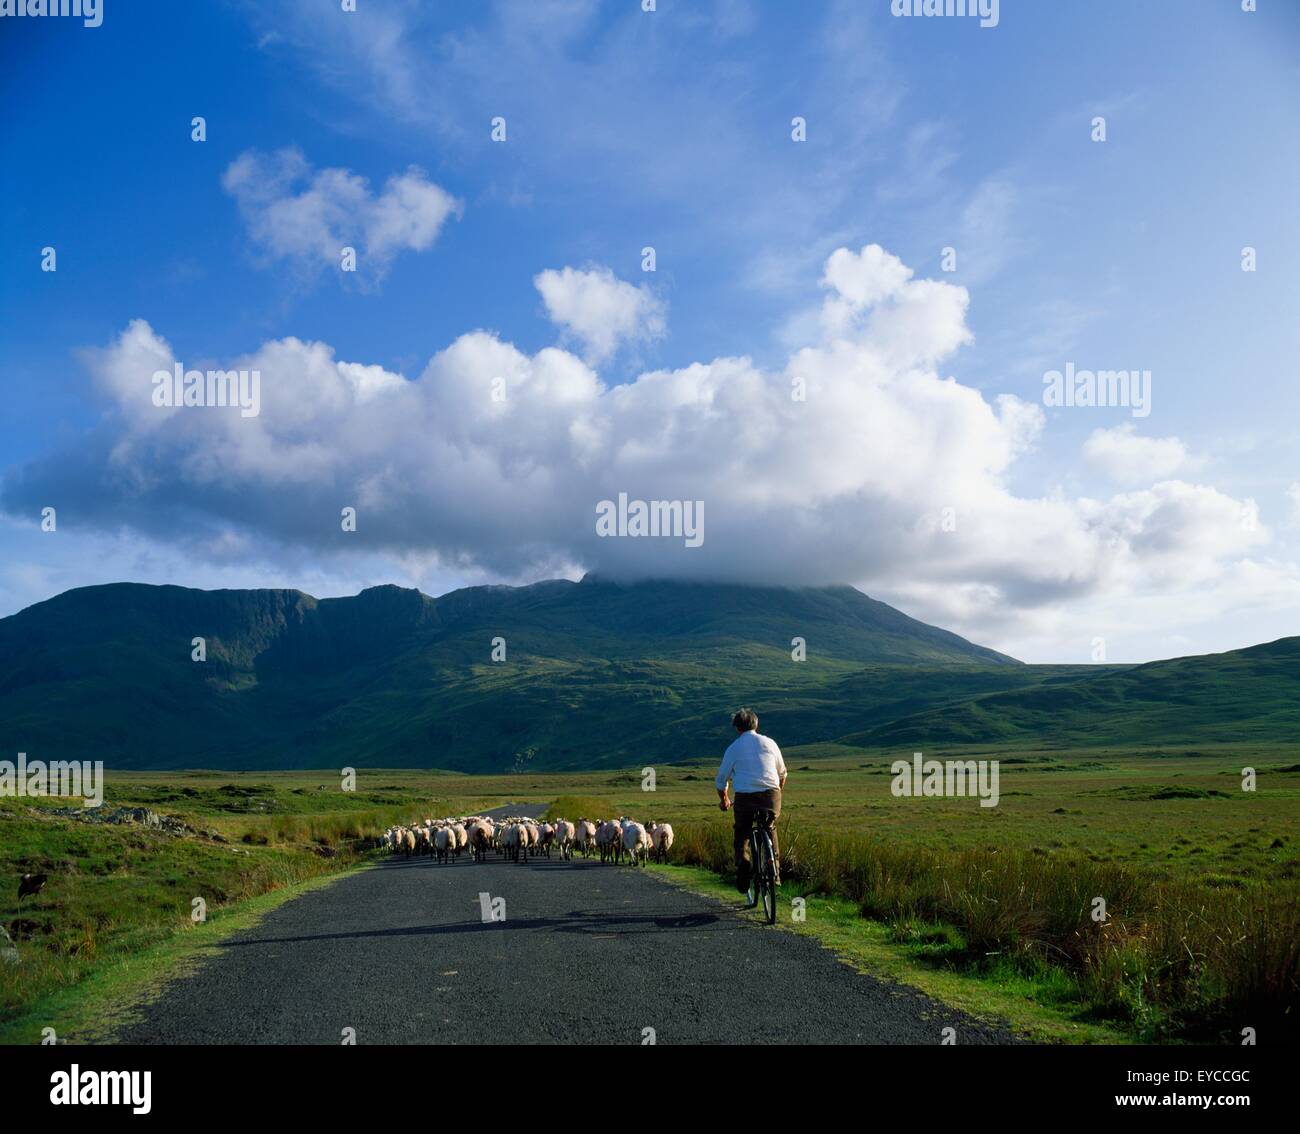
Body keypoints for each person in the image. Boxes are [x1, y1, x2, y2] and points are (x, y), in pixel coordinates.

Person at [715, 707, 787, 900]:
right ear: (756, 724)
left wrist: (725, 800)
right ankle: (775, 871)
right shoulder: (770, 743)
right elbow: (782, 774)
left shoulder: (733, 748)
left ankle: (744, 864)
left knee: (742, 833)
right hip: (771, 797)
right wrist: (777, 790)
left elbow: (721, 782)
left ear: (737, 728)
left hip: (745, 799)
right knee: (770, 828)